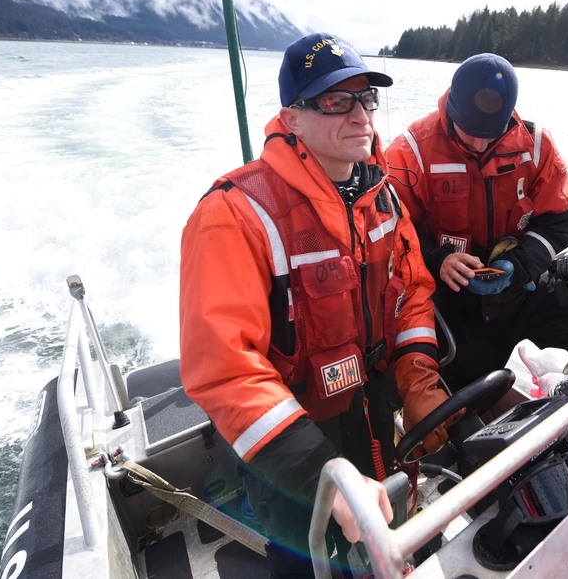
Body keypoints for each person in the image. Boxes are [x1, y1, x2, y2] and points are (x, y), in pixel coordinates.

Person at [179, 32, 452, 578]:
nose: (360, 116)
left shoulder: (384, 197)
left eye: (366, 99)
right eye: (336, 100)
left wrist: (418, 380)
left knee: (392, 540)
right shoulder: (234, 215)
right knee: (303, 561)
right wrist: (322, 470)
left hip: (375, 419)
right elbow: (225, 368)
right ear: (293, 117)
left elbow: (413, 291)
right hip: (292, 444)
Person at [386, 53, 568, 392]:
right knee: (468, 392)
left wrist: (518, 265)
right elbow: (392, 234)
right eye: (469, 132)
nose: (479, 144)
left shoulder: (537, 145)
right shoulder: (409, 151)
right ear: (449, 109)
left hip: (523, 287)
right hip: (454, 300)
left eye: (492, 134)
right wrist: (438, 260)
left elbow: (564, 223)